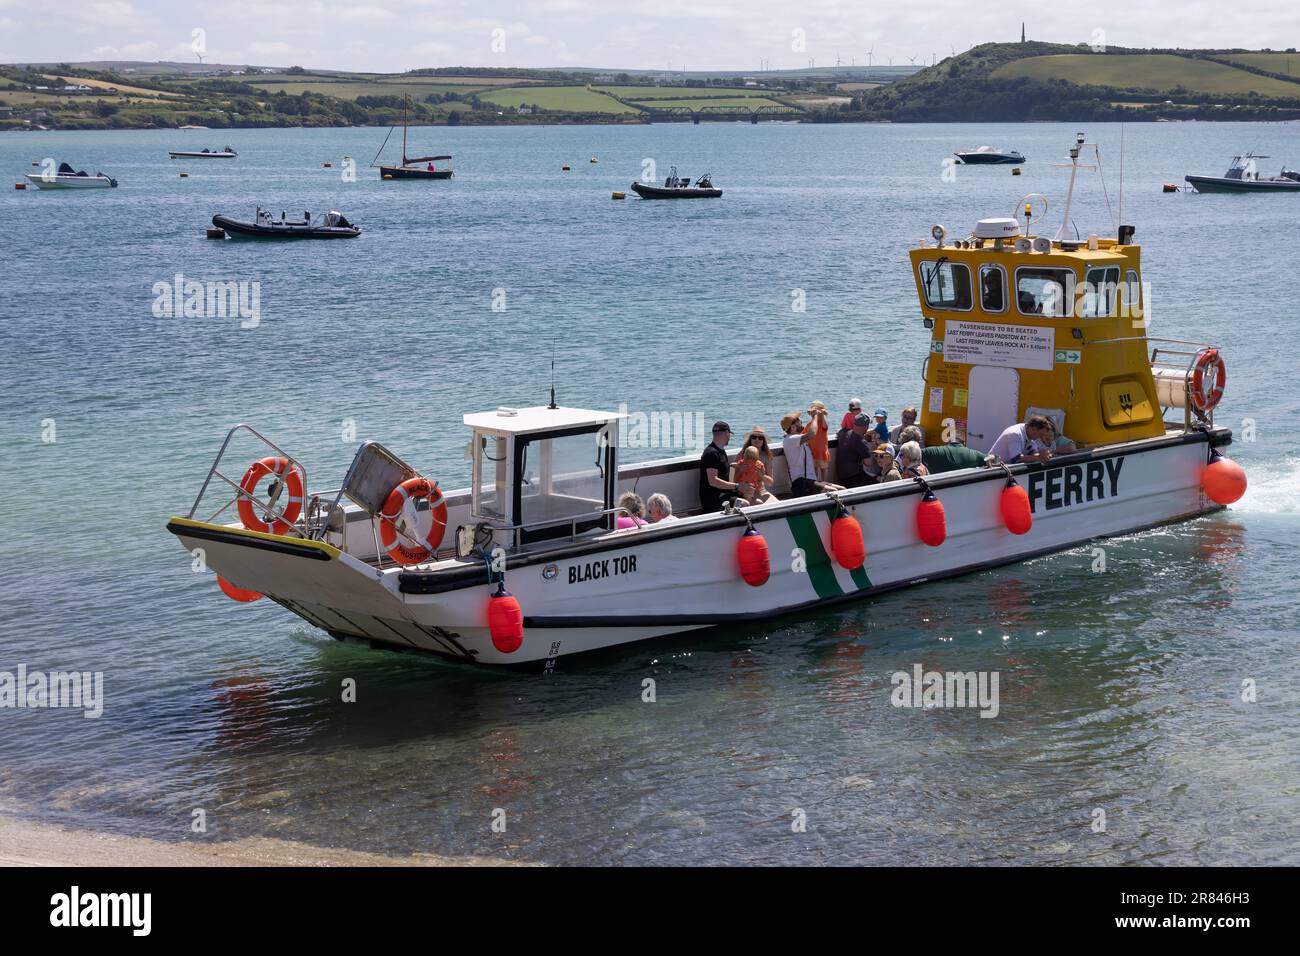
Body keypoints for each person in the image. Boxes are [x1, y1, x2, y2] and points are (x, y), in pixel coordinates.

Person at [782, 412, 844, 496]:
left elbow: (818, 432)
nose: (801, 421)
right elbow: (811, 434)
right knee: (833, 491)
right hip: (800, 482)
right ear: (792, 427)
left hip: (810, 480)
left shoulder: (798, 438)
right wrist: (815, 416)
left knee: (842, 490)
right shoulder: (791, 439)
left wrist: (820, 417)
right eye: (798, 420)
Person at [698, 421, 741, 512]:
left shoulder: (720, 451)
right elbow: (713, 481)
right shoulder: (711, 453)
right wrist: (737, 486)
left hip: (724, 494)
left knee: (749, 497)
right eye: (729, 434)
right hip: (714, 500)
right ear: (726, 433)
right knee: (744, 504)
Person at [988, 415, 1052, 464]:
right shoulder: (1015, 434)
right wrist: (1039, 457)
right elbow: (1016, 459)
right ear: (1033, 429)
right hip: (993, 468)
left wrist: (1044, 455)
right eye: (1040, 434)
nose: (1040, 437)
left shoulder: (1029, 433)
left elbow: (1033, 452)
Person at [834, 412, 875, 488]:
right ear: (866, 427)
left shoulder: (843, 434)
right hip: (854, 479)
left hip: (841, 478)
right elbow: (868, 463)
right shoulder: (861, 442)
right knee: (878, 483)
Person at [805, 401, 831, 482]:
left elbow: (825, 426)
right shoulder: (810, 423)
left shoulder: (822, 422)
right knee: (814, 471)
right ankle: (816, 486)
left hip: (821, 451)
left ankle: (825, 484)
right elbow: (804, 435)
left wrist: (822, 414)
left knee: (824, 469)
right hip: (812, 451)